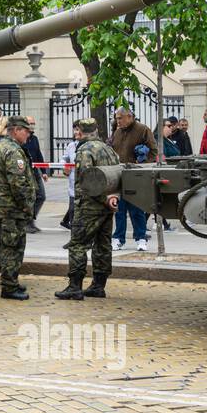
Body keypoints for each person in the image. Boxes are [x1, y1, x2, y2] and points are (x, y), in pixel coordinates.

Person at [56, 117, 120, 300]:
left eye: (78, 130)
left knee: (77, 245)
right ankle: (98, 286)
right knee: (102, 245)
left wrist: (100, 198)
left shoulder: (84, 150)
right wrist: (111, 199)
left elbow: (86, 180)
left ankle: (74, 287)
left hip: (89, 205)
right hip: (108, 204)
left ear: (81, 132)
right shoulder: (109, 149)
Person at [0, 116, 36, 300]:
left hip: (4, 207)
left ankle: (11, 281)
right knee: (12, 247)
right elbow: (18, 184)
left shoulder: (2, 147)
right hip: (12, 208)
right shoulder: (13, 151)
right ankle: (9, 286)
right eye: (26, 131)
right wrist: (27, 206)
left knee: (8, 245)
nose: (28, 135)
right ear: (16, 130)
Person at [110, 108, 157, 252]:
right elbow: (112, 150)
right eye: (117, 118)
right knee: (119, 209)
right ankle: (118, 239)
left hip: (136, 176)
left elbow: (153, 150)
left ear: (130, 117)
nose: (118, 121)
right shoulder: (117, 132)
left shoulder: (142, 130)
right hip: (120, 174)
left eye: (120, 118)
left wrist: (141, 164)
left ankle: (141, 238)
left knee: (136, 209)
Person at [22, 115, 47, 233]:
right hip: (26, 172)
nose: (32, 126)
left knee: (41, 196)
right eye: (30, 123)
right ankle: (27, 223)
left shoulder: (34, 138)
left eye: (33, 123)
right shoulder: (22, 139)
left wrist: (43, 171)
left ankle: (31, 219)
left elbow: (38, 155)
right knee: (30, 198)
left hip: (35, 171)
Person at [61, 121, 83, 229]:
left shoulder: (90, 146)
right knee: (73, 210)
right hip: (73, 184)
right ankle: (74, 236)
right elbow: (64, 159)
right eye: (75, 129)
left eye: (78, 129)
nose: (76, 132)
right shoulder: (71, 146)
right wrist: (65, 166)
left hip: (86, 184)